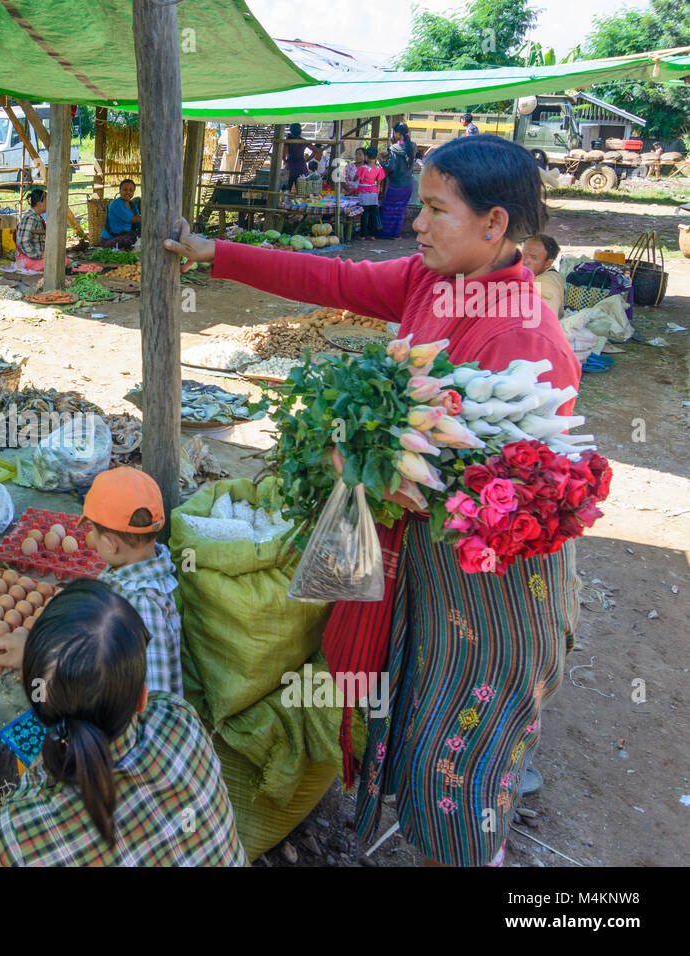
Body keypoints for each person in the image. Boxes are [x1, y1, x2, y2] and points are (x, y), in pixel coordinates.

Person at [166, 134, 581, 867]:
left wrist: (374, 465)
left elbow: (505, 494)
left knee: (457, 745)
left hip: (483, 580)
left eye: (433, 209)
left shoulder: (527, 337)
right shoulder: (432, 280)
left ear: (494, 225)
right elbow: (333, 280)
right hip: (415, 552)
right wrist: (213, 252)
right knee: (401, 708)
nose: (416, 223)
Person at [0, 580, 246, 867]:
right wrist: (45, 659)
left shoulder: (17, 839)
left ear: (35, 700)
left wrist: (43, 663)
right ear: (142, 698)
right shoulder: (181, 721)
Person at [0, 467, 182, 697]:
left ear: (111, 544)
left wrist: (46, 664)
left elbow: (153, 705)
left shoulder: (144, 609)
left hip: (122, 725)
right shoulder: (133, 568)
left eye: (93, 531)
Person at [380, 121, 417, 239]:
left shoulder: (394, 148)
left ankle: (386, 234)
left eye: (394, 132)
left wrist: (382, 163)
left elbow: (391, 167)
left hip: (396, 184)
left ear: (397, 133)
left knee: (388, 209)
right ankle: (396, 234)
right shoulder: (412, 146)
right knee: (400, 210)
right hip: (408, 184)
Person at [522, 233, 565, 320]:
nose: (525, 261)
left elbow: (537, 324)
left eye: (533, 257)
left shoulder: (545, 285)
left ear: (548, 263)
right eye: (523, 254)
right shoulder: (544, 275)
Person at [101, 178, 141, 249]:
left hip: (126, 235)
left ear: (133, 192)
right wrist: (148, 217)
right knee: (128, 240)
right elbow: (131, 219)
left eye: (131, 190)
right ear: (120, 191)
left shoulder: (133, 206)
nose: (128, 192)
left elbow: (138, 224)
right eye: (125, 190)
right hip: (110, 239)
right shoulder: (116, 203)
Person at [14, 187, 47, 272]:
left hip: (31, 257)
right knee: (61, 262)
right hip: (26, 260)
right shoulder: (31, 218)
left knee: (60, 259)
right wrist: (39, 255)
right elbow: (23, 241)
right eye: (47, 201)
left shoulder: (37, 217)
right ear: (40, 203)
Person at [356, 147, 385, 239]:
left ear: (366, 157)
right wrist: (377, 194)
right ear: (376, 156)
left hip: (363, 193)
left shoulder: (363, 168)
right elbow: (379, 183)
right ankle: (372, 235)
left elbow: (355, 178)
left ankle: (363, 235)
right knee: (373, 214)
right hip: (374, 193)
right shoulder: (379, 169)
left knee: (364, 214)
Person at [283, 122, 310, 188]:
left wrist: (285, 160)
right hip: (301, 167)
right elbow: (316, 151)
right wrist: (307, 160)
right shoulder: (303, 141)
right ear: (300, 131)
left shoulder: (288, 140)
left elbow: (283, 154)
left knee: (286, 190)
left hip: (290, 168)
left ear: (291, 131)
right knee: (301, 192)